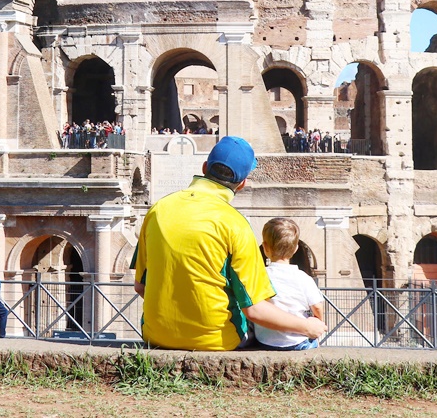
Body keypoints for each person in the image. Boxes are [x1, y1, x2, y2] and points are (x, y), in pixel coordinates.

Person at [132, 137, 326, 351]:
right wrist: (307, 327)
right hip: (218, 340)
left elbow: (141, 285)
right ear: (242, 183)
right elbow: (255, 310)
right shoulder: (236, 224)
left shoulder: (157, 210)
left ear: (204, 167)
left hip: (155, 335)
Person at [251, 218, 325, 350]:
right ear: (296, 248)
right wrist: (318, 320)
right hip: (297, 341)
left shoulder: (258, 276)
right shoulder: (304, 278)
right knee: (314, 343)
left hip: (264, 341)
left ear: (265, 248)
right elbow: (317, 307)